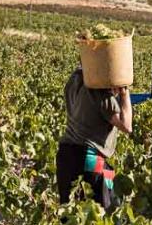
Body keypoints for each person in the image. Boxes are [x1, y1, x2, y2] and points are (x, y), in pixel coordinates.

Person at [56, 67, 132, 209]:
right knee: (101, 213)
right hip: (87, 160)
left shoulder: (75, 80)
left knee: (68, 213)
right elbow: (127, 126)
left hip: (65, 156)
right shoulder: (100, 94)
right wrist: (124, 93)